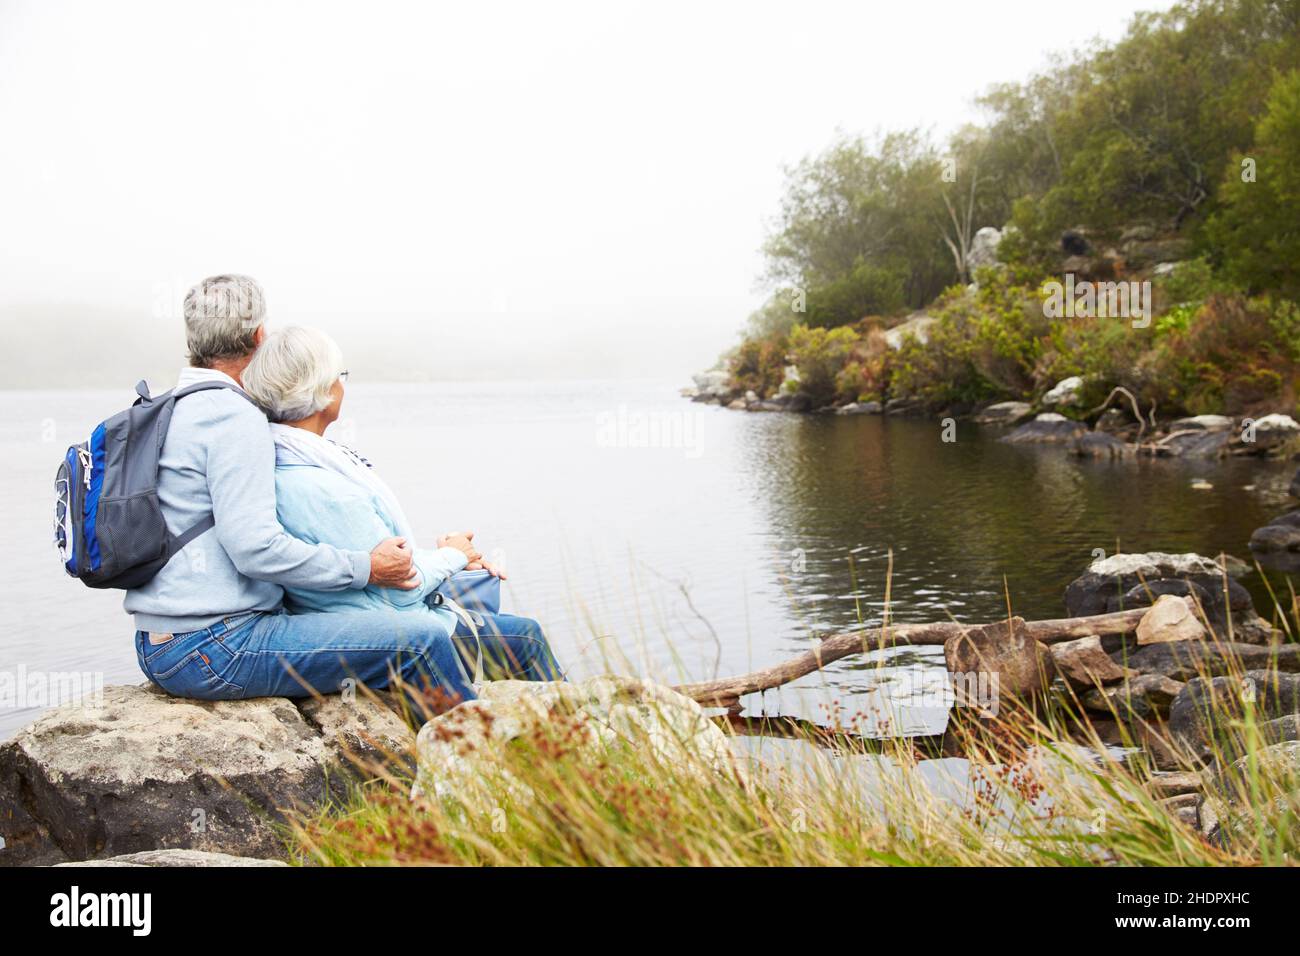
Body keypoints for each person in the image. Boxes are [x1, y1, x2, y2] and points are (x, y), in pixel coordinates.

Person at [129, 275, 472, 718]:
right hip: (216, 646)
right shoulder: (234, 417)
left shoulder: (175, 405)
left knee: (436, 615)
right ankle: (474, 769)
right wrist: (367, 567)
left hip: (162, 641)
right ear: (259, 336)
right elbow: (255, 550)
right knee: (420, 639)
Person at [240, 325, 565, 693]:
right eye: (339, 377)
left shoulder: (276, 465)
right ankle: (579, 737)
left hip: (346, 616)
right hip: (391, 628)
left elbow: (376, 561)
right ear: (323, 391)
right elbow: (402, 587)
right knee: (529, 638)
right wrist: (453, 555)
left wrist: (447, 555)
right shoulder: (326, 488)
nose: (342, 387)